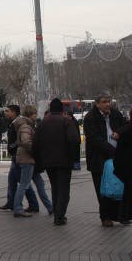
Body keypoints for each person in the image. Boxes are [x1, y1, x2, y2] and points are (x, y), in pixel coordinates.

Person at [35, 98, 80, 226]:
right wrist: (74, 159)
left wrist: (39, 161)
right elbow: (74, 140)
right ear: (62, 109)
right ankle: (59, 216)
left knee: (55, 187)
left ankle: (56, 211)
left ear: (50, 109)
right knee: (64, 190)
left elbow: (36, 143)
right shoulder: (66, 121)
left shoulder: (43, 123)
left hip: (48, 162)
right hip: (64, 162)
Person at [83, 94, 125, 227]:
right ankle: (105, 216)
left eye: (109, 101)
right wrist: (113, 151)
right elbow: (94, 139)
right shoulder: (90, 117)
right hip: (99, 159)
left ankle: (119, 215)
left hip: (117, 159)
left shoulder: (115, 114)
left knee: (117, 186)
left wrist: (119, 132)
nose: (107, 104)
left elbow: (125, 127)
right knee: (102, 188)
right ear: (97, 104)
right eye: (104, 102)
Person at [0, 105, 38, 212]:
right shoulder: (12, 123)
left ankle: (31, 204)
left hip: (19, 156)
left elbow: (21, 139)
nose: (6, 113)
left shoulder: (19, 124)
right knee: (13, 180)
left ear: (14, 112)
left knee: (23, 182)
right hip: (15, 156)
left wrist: (12, 146)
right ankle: (11, 202)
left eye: (8, 111)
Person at [12, 106, 43, 218]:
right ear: (31, 114)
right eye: (35, 113)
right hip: (27, 158)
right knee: (24, 185)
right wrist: (34, 151)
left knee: (24, 184)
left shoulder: (23, 124)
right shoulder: (26, 126)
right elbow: (26, 141)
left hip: (23, 157)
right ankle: (18, 208)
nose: (36, 116)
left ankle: (21, 207)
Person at [111, 110, 132, 224]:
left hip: (123, 164)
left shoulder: (125, 129)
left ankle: (123, 215)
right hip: (127, 165)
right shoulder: (127, 129)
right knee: (127, 191)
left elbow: (115, 136)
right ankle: (124, 215)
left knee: (126, 191)